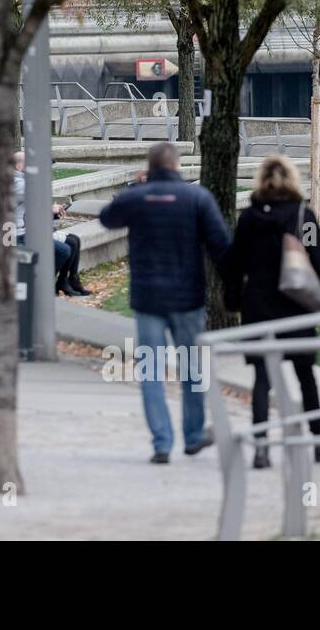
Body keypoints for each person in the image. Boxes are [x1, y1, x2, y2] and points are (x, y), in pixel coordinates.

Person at [99, 142, 230, 464]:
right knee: (193, 370)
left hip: (148, 299)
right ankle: (194, 434)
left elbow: (106, 218)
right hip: (188, 298)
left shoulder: (137, 197)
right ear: (177, 165)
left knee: (151, 371)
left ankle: (161, 441)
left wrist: (135, 187)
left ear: (150, 166)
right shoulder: (197, 198)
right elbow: (221, 245)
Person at [224, 155, 320, 469]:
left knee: (263, 378)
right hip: (296, 308)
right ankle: (318, 439)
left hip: (259, 307)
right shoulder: (302, 218)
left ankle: (262, 446)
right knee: (306, 375)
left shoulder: (249, 219)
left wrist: (233, 300)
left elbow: (234, 264)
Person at [12, 151, 89, 297]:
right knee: (64, 250)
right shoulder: (17, 183)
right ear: (19, 166)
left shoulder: (23, 181)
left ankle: (66, 281)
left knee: (73, 241)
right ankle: (42, 284)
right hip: (18, 235)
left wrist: (52, 213)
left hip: (29, 230)